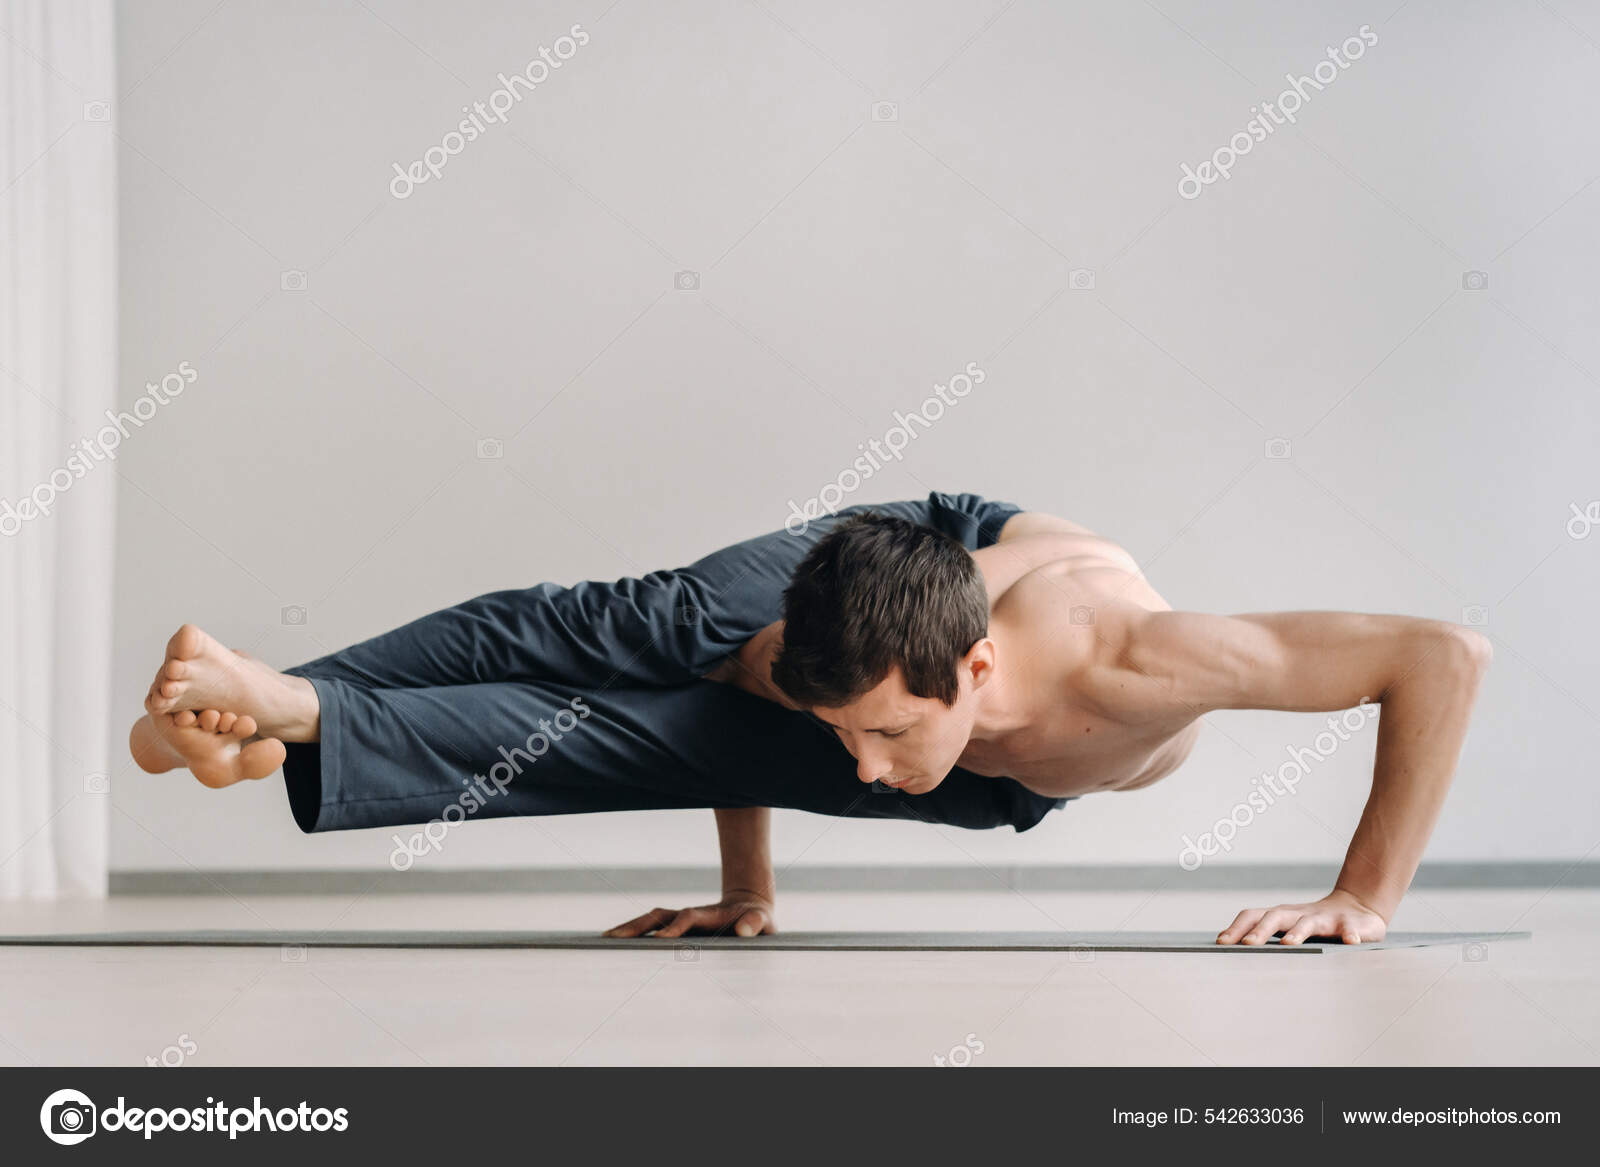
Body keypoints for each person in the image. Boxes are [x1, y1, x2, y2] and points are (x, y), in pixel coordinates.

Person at [127, 491, 1491, 946]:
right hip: (886, 579)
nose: (863, 768)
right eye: (850, 738)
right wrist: (749, 890)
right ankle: (277, 704)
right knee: (647, 627)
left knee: (667, 729)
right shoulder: (824, 678)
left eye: (885, 736)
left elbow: (1439, 656)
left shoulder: (1140, 660)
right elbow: (745, 707)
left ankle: (287, 716)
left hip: (977, 627)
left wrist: (1361, 898)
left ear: (972, 675)